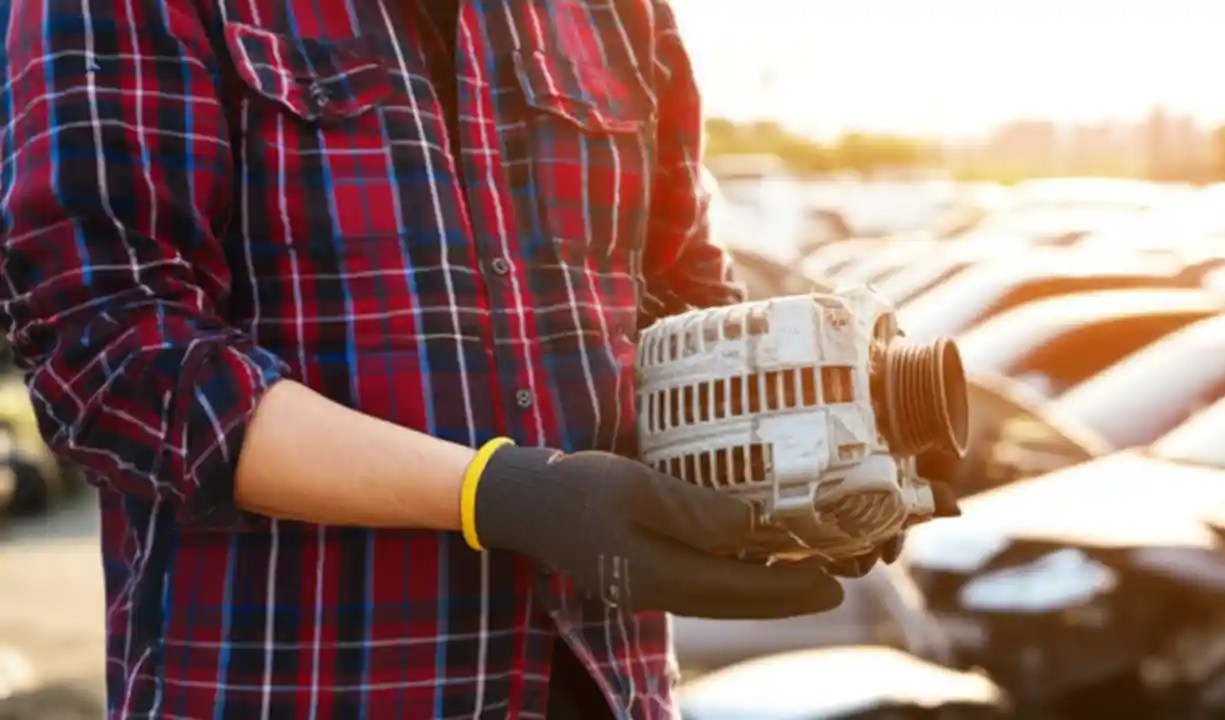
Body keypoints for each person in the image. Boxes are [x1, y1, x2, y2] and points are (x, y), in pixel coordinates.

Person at [0, 1, 902, 717]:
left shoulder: (619, 10)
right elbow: (111, 348)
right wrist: (494, 494)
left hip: (606, 688)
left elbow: (681, 297)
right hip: (292, 688)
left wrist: (829, 445)